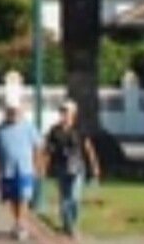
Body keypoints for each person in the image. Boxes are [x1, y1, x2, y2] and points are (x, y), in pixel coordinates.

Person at [45, 100, 100, 240]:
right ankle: (67, 225)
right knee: (64, 198)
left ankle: (73, 224)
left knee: (74, 197)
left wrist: (94, 166)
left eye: (66, 112)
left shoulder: (79, 129)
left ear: (73, 114)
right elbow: (48, 150)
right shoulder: (54, 130)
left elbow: (88, 148)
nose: (64, 115)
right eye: (62, 111)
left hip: (77, 167)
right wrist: (44, 166)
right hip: (61, 167)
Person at [0, 103, 43, 241]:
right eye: (11, 112)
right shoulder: (0, 130)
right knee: (12, 198)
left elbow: (37, 148)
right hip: (7, 170)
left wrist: (38, 166)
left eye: (16, 112)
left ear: (22, 112)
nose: (14, 114)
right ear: (6, 113)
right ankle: (18, 221)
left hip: (25, 169)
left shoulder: (29, 128)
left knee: (23, 196)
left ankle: (21, 223)